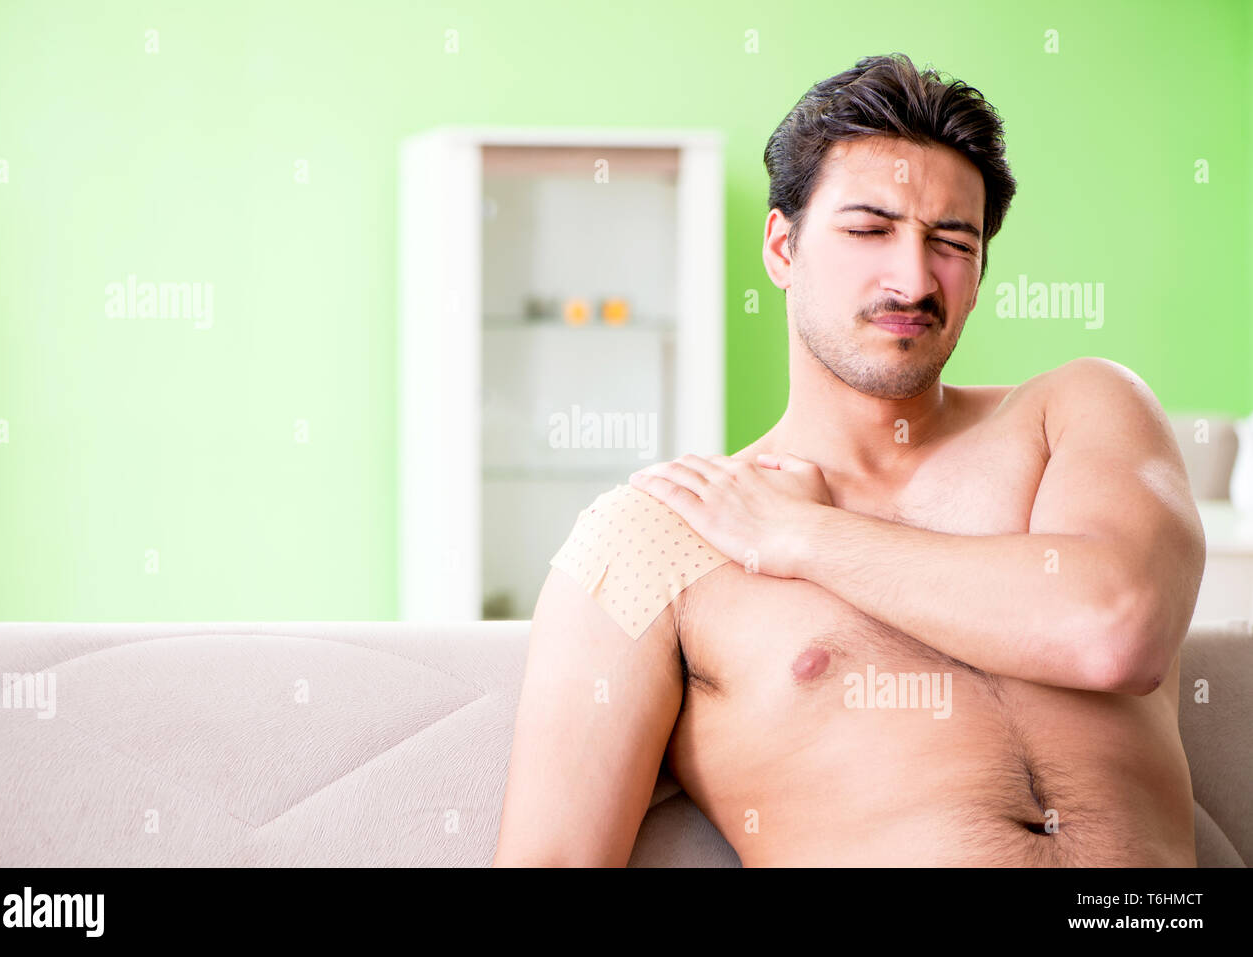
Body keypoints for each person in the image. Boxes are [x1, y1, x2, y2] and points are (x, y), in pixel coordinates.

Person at [494, 53, 1205, 867]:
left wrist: (803, 536)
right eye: (869, 230)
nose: (913, 278)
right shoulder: (658, 535)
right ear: (782, 247)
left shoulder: (1078, 413)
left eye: (952, 242)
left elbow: (1116, 631)